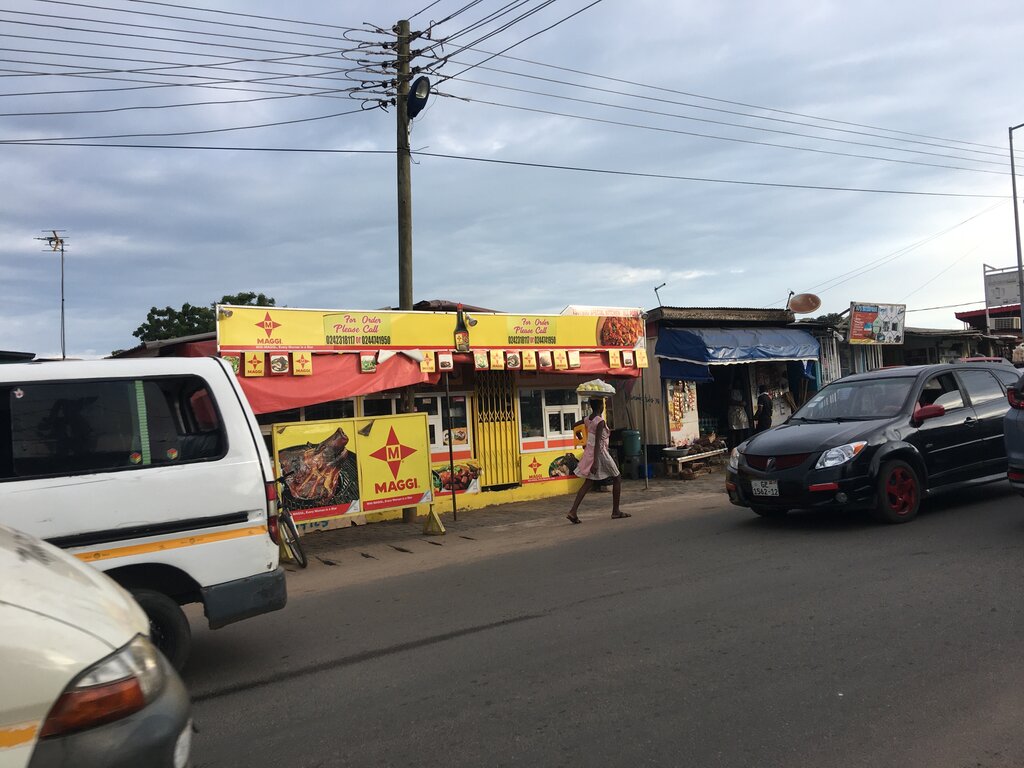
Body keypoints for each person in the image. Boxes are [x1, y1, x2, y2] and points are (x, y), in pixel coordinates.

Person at [566, 397, 628, 523]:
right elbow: (598, 443)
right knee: (617, 477)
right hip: (600, 454)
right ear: (600, 406)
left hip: (591, 453)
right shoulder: (600, 422)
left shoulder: (588, 419)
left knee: (588, 482)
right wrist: (595, 462)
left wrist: (582, 440)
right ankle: (615, 511)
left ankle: (573, 511)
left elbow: (574, 426)